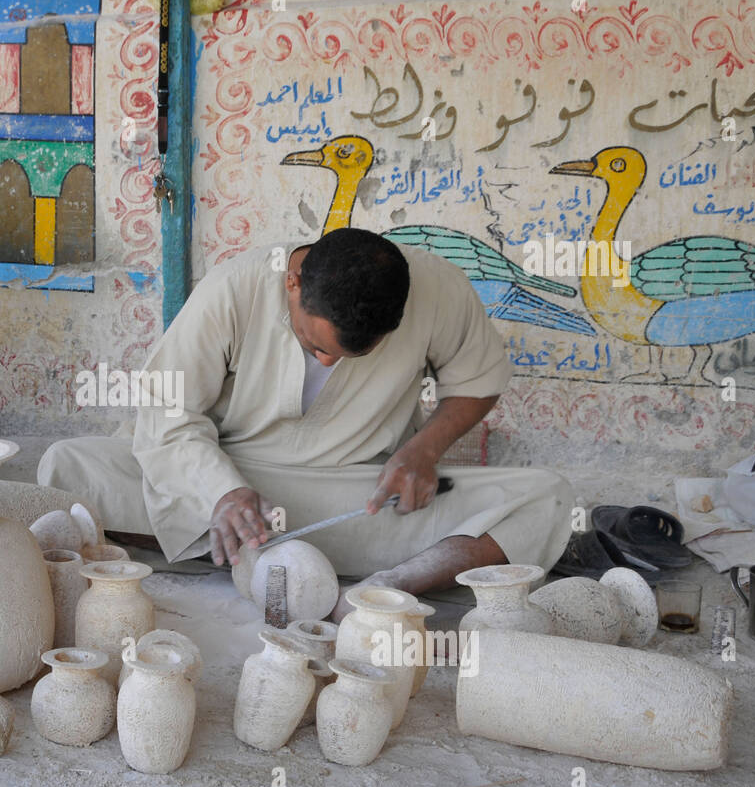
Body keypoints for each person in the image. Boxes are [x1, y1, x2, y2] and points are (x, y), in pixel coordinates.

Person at [38, 227, 574, 618]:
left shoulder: (437, 288)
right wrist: (224, 491)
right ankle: (261, 549)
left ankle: (383, 588)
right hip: (231, 476)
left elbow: (477, 381)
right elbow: (167, 411)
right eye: (316, 346)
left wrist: (425, 450)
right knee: (68, 467)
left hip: (357, 494)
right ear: (292, 283)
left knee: (545, 496)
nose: (326, 364)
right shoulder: (235, 288)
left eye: (347, 356)